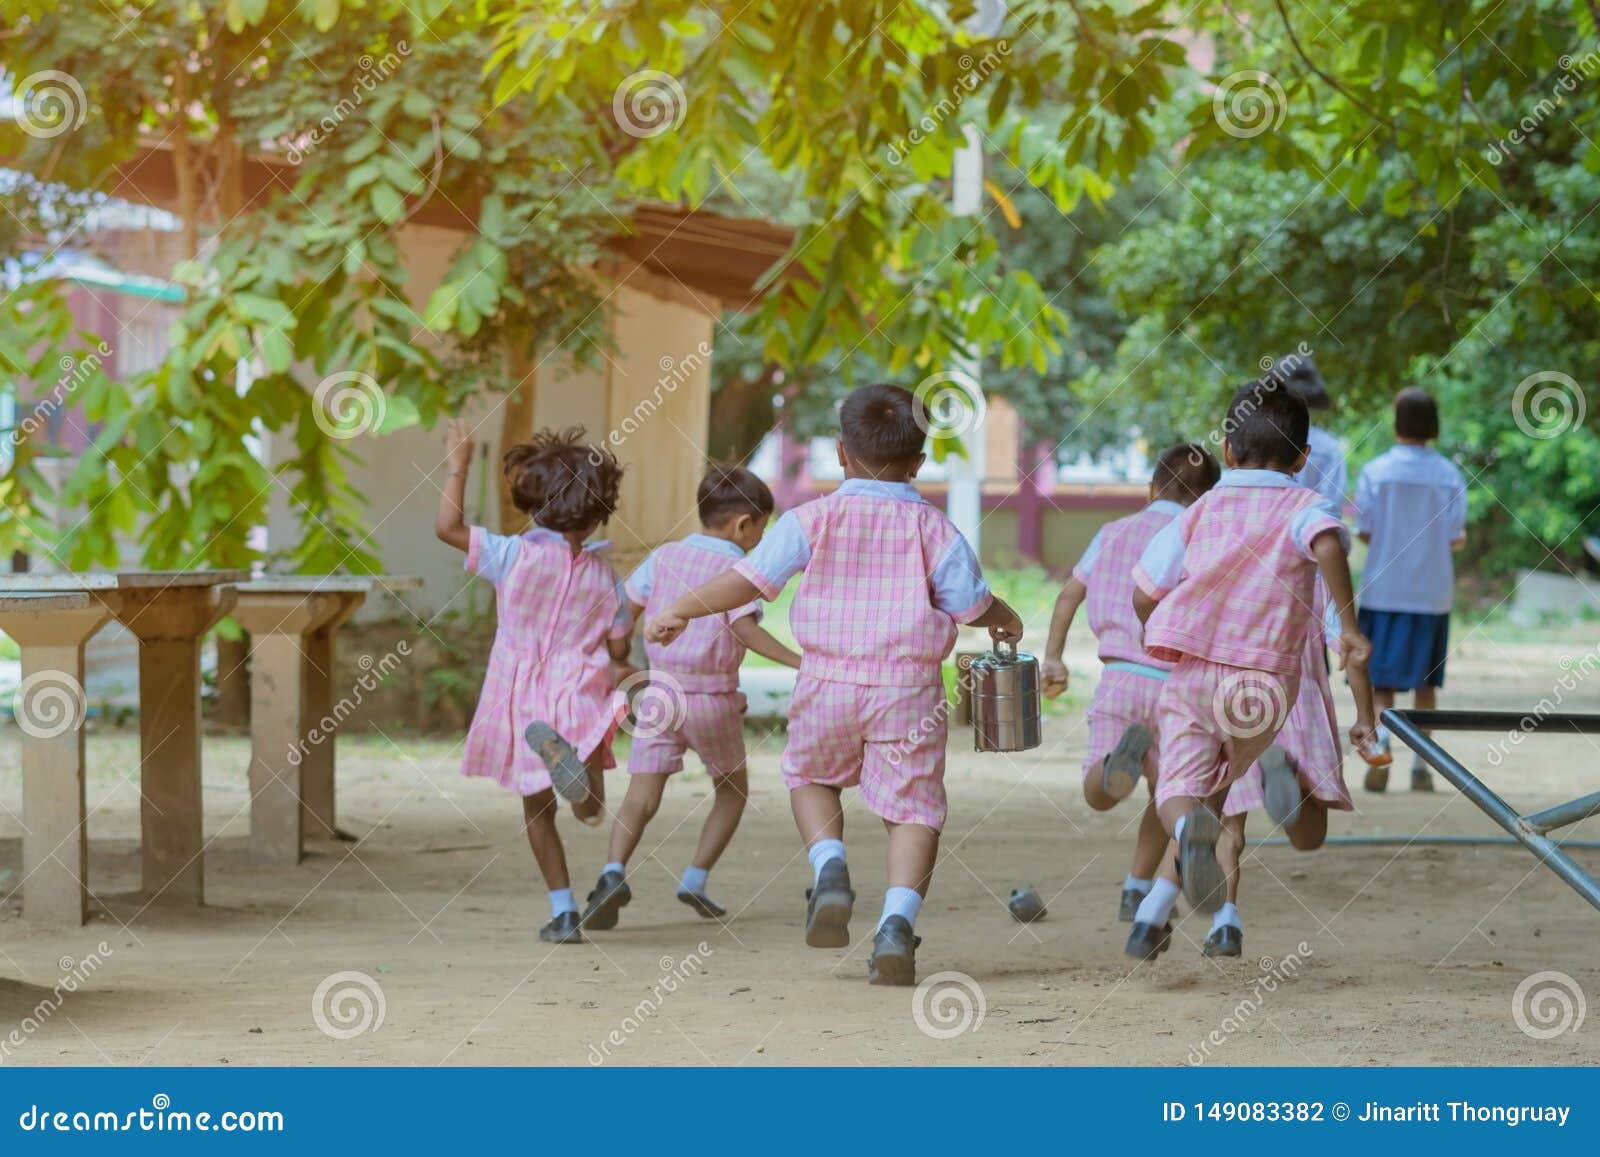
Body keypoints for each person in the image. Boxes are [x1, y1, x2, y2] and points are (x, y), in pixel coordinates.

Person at [645, 383, 1023, 987]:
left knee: (811, 779)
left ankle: (830, 867)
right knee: (915, 810)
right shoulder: (934, 528)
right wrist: (1007, 618)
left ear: (841, 454)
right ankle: (896, 925)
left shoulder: (811, 519)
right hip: (907, 690)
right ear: (919, 464)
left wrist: (682, 608)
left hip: (826, 681)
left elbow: (745, 581)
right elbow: (972, 605)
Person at [1124, 379, 1379, 960]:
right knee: (1215, 789)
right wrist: (1351, 623)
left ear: (1229, 452)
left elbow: (1145, 589)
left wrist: (1154, 626)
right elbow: (1329, 544)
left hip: (1193, 677)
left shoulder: (1201, 509)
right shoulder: (1305, 506)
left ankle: (1165, 883)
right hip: (1263, 686)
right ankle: (1154, 912)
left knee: (1182, 792)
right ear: (1302, 458)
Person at [435, 419, 632, 946]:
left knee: (535, 807)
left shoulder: (512, 556)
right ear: (597, 515)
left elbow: (448, 529)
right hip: (580, 688)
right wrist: (626, 667)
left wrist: (459, 462)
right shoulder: (606, 578)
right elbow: (619, 649)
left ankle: (563, 911)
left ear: (532, 504)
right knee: (590, 805)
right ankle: (583, 789)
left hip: (520, 691)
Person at [581, 465, 802, 931]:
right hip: (711, 699)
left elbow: (625, 613)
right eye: (762, 528)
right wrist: (801, 661)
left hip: (658, 695)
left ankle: (612, 872)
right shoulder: (737, 572)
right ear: (745, 524)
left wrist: (616, 658)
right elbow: (745, 631)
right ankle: (695, 879)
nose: (761, 539)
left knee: (642, 793)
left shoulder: (664, 556)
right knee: (732, 790)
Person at [1041, 444, 1235, 940]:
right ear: (1207, 499)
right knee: (1168, 792)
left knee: (1101, 792)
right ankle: (1137, 887)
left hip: (1121, 679)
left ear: (1151, 489)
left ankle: (1112, 771)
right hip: (1179, 683)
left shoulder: (1113, 532)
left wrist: (1055, 657)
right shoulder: (1200, 538)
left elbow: (1068, 595)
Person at [1353, 387, 1467, 791]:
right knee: (1426, 683)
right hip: (1432, 593)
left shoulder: (1376, 471)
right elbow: (1455, 537)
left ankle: (1382, 747)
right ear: (1433, 425)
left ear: (1396, 421)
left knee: (1381, 681)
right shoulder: (1449, 475)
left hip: (1384, 589)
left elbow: (1364, 531)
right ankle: (1422, 765)